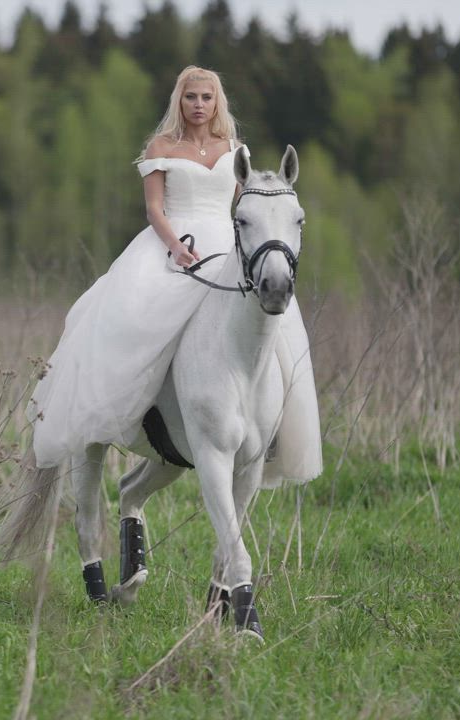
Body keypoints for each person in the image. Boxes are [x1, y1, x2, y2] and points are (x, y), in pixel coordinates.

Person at [27, 65, 322, 485]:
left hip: (225, 246)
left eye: (206, 98)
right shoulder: (161, 146)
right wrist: (176, 247)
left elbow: (247, 208)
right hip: (174, 243)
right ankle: (133, 411)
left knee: (282, 325)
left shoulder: (235, 149)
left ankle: (274, 424)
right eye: (191, 97)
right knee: (138, 319)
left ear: (217, 102)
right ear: (179, 101)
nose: (199, 105)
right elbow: (154, 209)